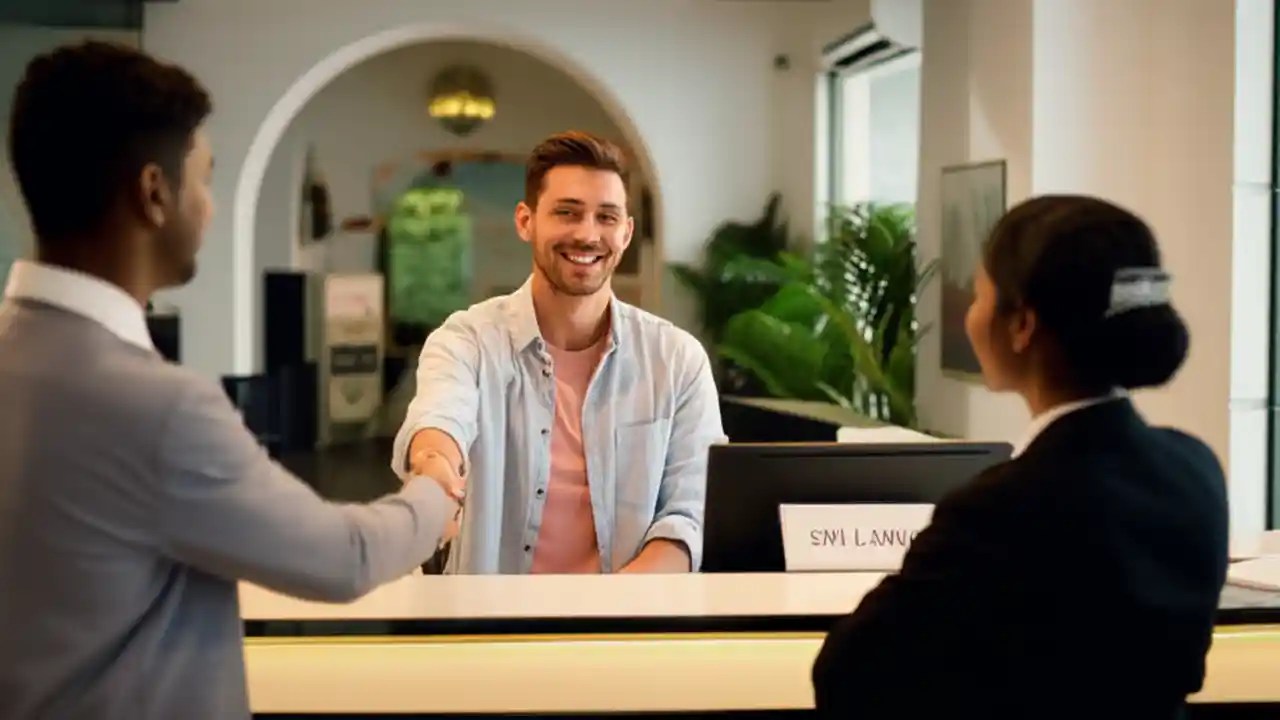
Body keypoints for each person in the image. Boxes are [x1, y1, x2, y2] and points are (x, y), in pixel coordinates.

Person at [0, 42, 463, 719]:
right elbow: (343, 558)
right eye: (205, 180)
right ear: (154, 193)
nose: (211, 209)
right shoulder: (156, 407)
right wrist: (433, 497)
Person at [811, 195, 1229, 718]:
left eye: (980, 294)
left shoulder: (1000, 507)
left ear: (1021, 325)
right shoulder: (1196, 469)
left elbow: (848, 674)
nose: (970, 314)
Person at [392, 131, 725, 574]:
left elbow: (690, 516)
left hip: (625, 629)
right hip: (486, 629)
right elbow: (440, 418)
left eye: (606, 217)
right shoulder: (467, 340)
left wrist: (607, 617)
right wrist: (435, 473)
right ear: (526, 221)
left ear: (625, 232)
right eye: (567, 213)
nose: (587, 234)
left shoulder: (678, 361)